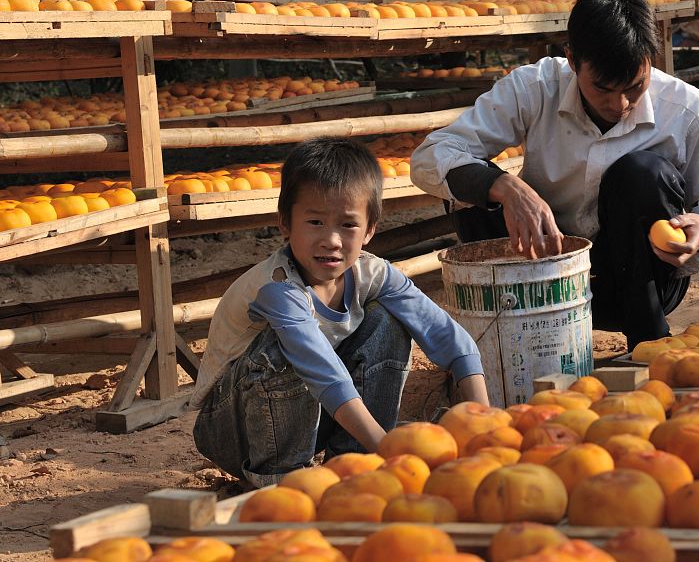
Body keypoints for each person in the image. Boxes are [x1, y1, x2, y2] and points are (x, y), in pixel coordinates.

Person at [410, 0, 699, 350]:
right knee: (470, 192)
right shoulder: (535, 87)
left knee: (642, 173)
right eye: (602, 88)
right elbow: (431, 156)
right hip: (543, 273)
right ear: (572, 60)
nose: (619, 104)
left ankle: (648, 337)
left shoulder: (687, 109)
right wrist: (505, 186)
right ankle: (513, 340)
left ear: (652, 60)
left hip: (634, 282)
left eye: (635, 87)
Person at [192, 137, 488, 487]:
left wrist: (484, 423)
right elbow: (324, 373)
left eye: (347, 225)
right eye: (315, 222)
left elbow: (445, 335)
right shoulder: (277, 289)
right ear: (285, 223)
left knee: (389, 321)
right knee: (283, 349)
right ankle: (279, 477)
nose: (331, 240)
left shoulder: (372, 273)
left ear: (369, 231)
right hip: (232, 425)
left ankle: (354, 461)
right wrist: (389, 449)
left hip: (309, 413)